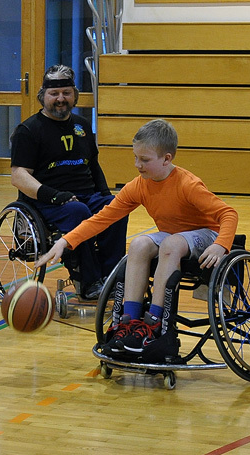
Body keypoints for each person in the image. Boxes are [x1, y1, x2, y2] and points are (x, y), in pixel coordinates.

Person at [36, 119, 238, 353]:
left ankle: (154, 324)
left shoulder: (187, 184)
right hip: (174, 238)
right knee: (140, 243)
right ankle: (129, 322)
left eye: (144, 160)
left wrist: (221, 245)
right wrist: (65, 241)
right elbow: (102, 218)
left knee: (171, 244)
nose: (137, 165)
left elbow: (228, 213)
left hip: (206, 235)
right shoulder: (139, 186)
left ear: (167, 159)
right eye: (135, 158)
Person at [10, 64, 128, 301]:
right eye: (54, 94)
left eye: (66, 93)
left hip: (84, 195)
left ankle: (112, 277)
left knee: (116, 207)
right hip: (46, 201)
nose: (60, 99)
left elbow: (93, 165)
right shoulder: (29, 130)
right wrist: (54, 195)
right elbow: (19, 175)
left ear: (75, 95)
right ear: (43, 96)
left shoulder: (82, 125)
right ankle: (88, 280)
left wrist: (107, 197)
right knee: (78, 211)